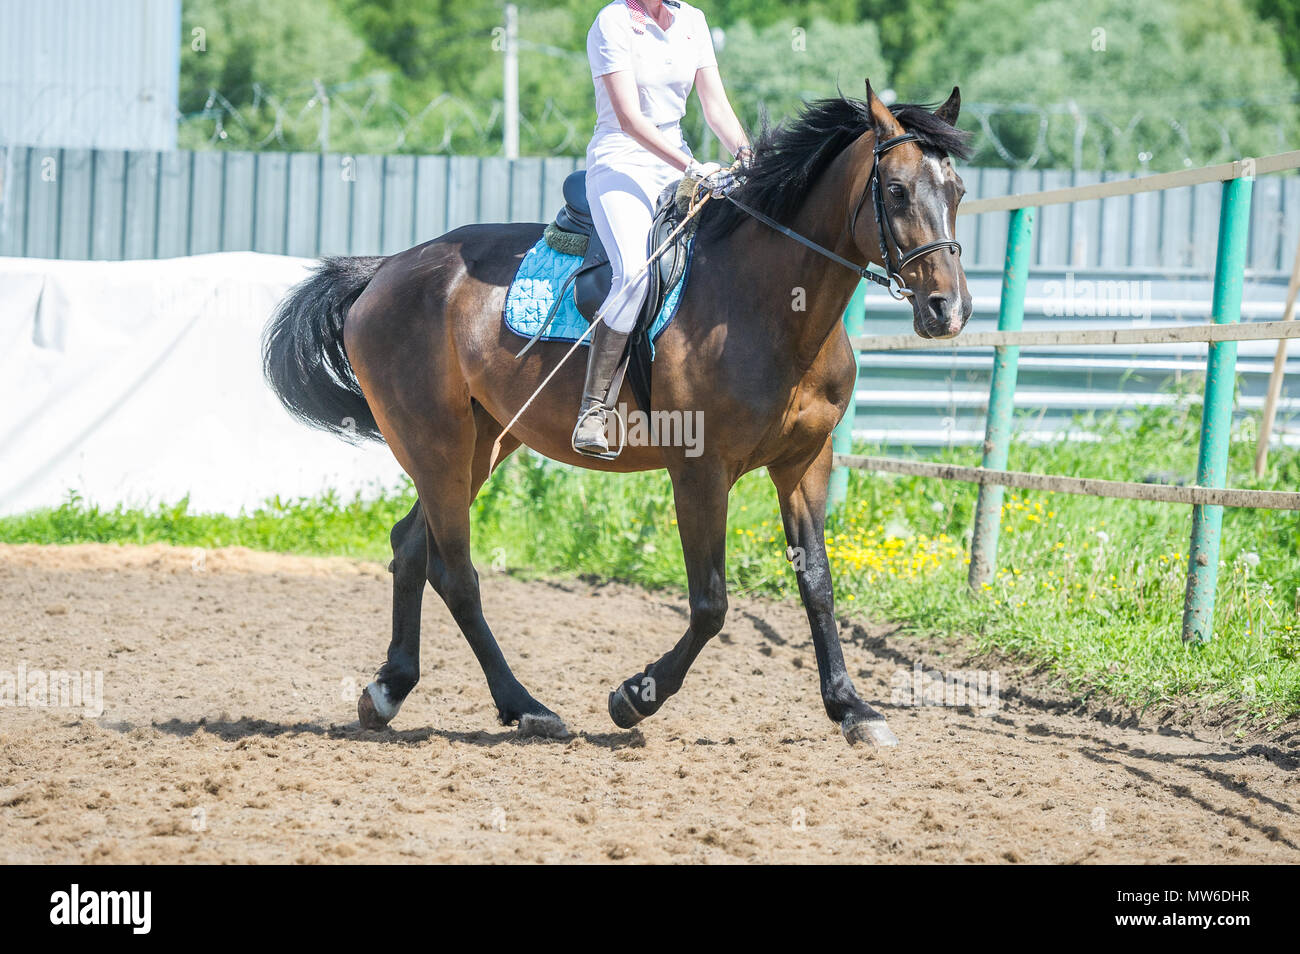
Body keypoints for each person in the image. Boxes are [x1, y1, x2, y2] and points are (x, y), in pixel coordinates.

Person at [573, 0, 750, 457]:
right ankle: (594, 409)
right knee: (634, 273)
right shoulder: (612, 21)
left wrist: (748, 157)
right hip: (621, 161)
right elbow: (630, 119)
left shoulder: (693, 21)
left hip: (678, 159)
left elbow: (715, 107)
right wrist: (694, 167)